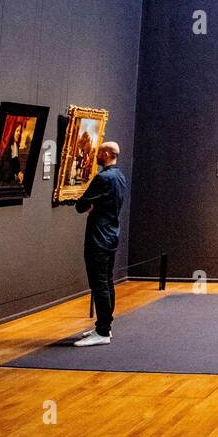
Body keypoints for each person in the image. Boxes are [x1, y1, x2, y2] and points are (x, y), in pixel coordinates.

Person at [73, 141, 127, 347]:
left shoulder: (103, 178)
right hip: (111, 234)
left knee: (99, 283)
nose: (96, 155)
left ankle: (103, 330)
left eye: (99, 152)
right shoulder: (120, 176)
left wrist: (90, 206)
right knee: (107, 280)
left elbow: (81, 205)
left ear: (105, 154)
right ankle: (104, 326)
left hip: (98, 237)